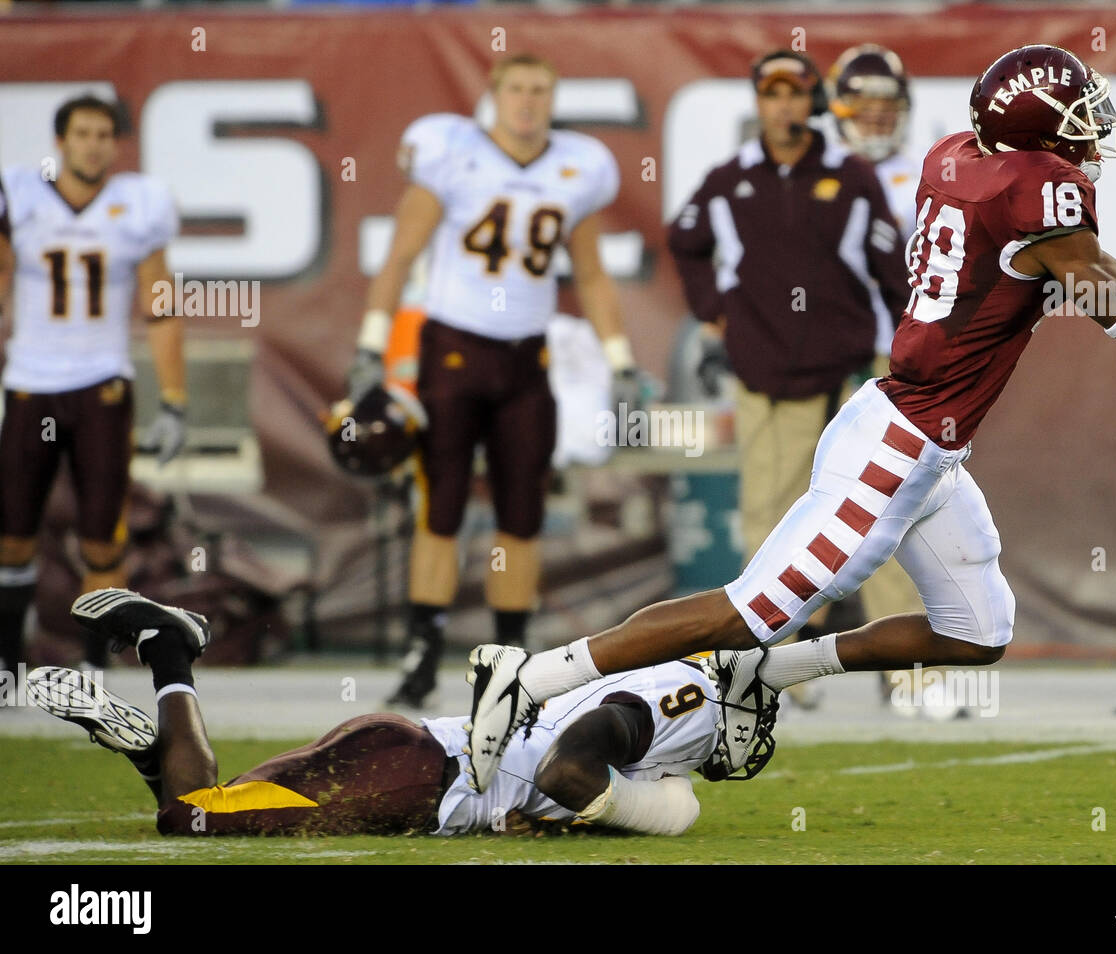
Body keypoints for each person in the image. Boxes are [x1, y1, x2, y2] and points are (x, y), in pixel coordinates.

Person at [463, 44, 1116, 794]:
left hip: (926, 442)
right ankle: (533, 677)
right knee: (750, 611)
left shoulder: (961, 154)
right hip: (898, 443)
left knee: (977, 633)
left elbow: (1070, 271)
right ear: (1035, 134)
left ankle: (765, 674)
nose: (1090, 135)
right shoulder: (1033, 192)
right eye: (1075, 118)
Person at [347, 54, 642, 709]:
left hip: (524, 362)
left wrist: (619, 359)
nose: (528, 102)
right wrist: (372, 344)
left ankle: (512, 665)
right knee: (441, 509)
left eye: (541, 89)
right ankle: (422, 656)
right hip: (451, 352)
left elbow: (591, 275)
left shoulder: (576, 168)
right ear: (494, 95)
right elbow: (400, 255)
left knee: (522, 515)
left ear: (554, 97)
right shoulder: (451, 154)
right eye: (517, 89)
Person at [28, 588, 719, 837]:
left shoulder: (634, 712)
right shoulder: (660, 716)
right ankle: (169, 648)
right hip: (413, 781)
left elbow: (569, 781)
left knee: (212, 801)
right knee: (191, 817)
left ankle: (155, 750)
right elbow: (571, 770)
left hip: (402, 750)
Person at [667, 50, 909, 709]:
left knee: (877, 514)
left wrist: (906, 354)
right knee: (766, 520)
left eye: (796, 93)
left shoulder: (849, 174)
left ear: (814, 103)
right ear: (757, 101)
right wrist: (714, 314)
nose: (784, 106)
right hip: (760, 372)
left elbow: (891, 270)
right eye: (772, 93)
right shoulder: (731, 177)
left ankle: (911, 667)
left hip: (845, 373)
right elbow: (684, 238)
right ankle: (779, 665)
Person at [0, 96, 185, 681]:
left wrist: (175, 400)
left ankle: (89, 679)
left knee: (104, 543)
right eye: (82, 133)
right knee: (11, 539)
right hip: (30, 384)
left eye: (105, 133)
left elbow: (161, 308)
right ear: (61, 141)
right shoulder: (20, 196)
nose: (94, 144)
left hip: (103, 386)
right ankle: (7, 666)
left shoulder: (139, 204)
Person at [821, 42, 962, 719]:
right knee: (796, 513)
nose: (876, 119)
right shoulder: (811, 171)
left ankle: (907, 673)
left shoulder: (931, 173)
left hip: (904, 367)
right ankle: (778, 665)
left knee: (899, 515)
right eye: (863, 106)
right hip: (818, 361)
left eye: (887, 107)